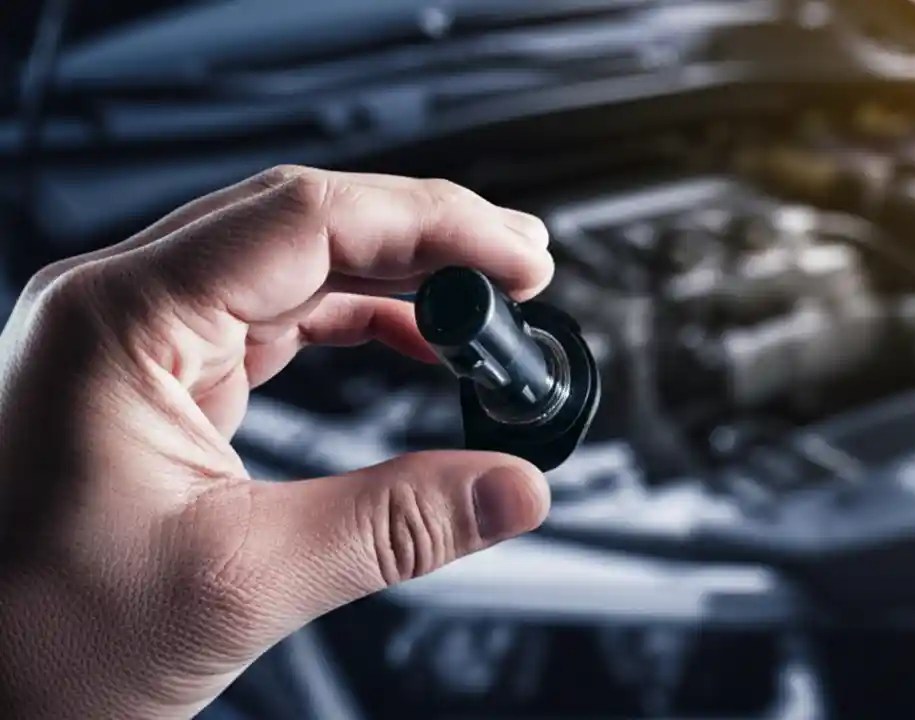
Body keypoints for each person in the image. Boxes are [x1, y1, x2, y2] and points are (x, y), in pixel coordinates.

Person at [0, 166, 556, 718]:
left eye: (481, 657)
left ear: (415, 663)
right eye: (505, 644)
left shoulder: (301, 686)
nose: (490, 633)